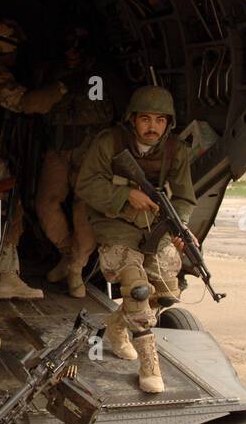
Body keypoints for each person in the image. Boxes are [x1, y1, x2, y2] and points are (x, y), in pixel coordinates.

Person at [75, 85, 196, 393]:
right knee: (136, 286)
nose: (152, 127)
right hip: (114, 221)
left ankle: (116, 328)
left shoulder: (176, 151)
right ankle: (149, 363)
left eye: (160, 120)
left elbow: (183, 198)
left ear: (168, 123)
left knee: (165, 288)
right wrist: (124, 195)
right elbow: (86, 185)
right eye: (145, 119)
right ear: (133, 120)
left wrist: (178, 228)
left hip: (154, 225)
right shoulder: (109, 143)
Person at [0, 18, 67, 299]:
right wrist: (62, 87)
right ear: (6, 48)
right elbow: (31, 103)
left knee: (7, 212)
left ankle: (7, 276)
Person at [36, 26, 118, 298]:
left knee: (85, 207)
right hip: (58, 145)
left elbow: (117, 109)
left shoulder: (103, 74)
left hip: (91, 147)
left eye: (77, 47)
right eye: (66, 47)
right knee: (46, 203)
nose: (71, 53)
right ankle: (67, 254)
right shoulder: (52, 71)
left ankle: (75, 269)